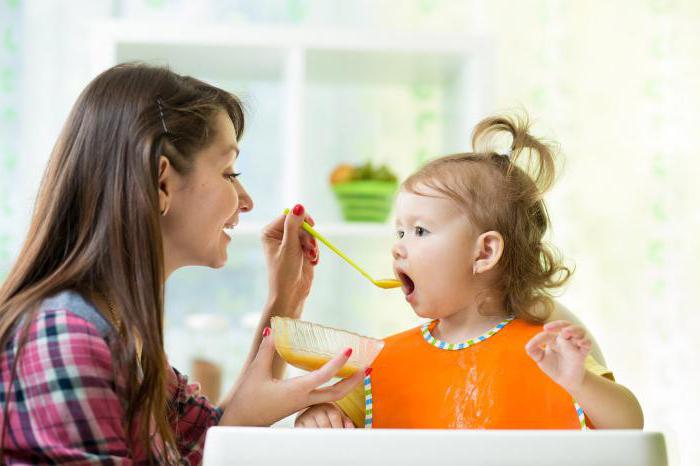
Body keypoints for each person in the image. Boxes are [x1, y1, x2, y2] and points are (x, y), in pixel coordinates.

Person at [0, 63, 365, 464]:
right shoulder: (66, 339)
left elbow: (210, 443)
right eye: (229, 172)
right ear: (161, 183)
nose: (245, 200)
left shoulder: (128, 342)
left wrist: (286, 300)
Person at [295, 114, 644, 430]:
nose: (398, 246)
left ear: (485, 252)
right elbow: (329, 421)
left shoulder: (547, 351)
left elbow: (628, 426)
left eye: (420, 231)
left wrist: (579, 382)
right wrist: (316, 416)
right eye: (399, 232)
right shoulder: (383, 361)